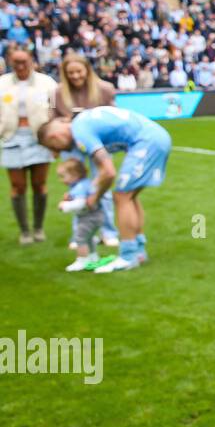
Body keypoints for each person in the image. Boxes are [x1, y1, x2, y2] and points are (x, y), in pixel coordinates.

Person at [36, 106, 173, 273]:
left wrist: (93, 198)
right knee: (130, 196)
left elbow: (108, 172)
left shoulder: (80, 132)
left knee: (122, 197)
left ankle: (128, 256)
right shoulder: (82, 122)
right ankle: (138, 250)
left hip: (147, 142)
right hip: (155, 137)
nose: (58, 152)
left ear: (54, 137)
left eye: (54, 147)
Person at [54, 52, 120, 249]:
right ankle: (81, 235)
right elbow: (52, 118)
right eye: (70, 73)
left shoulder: (105, 89)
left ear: (87, 70)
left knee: (103, 187)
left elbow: (113, 116)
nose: (75, 76)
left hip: (97, 146)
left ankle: (108, 231)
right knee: (77, 189)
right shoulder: (56, 93)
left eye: (79, 71)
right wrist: (66, 122)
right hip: (72, 147)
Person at [1, 43, 57, 244]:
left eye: (24, 61)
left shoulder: (47, 83)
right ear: (9, 61)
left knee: (39, 184)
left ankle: (38, 228)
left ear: (31, 60)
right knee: (17, 186)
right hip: (11, 138)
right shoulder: (3, 83)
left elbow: (55, 109)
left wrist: (52, 135)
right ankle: (25, 231)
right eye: (16, 62)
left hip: (39, 138)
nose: (20, 65)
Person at [56, 158, 111, 272]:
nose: (61, 180)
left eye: (63, 176)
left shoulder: (79, 187)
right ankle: (93, 256)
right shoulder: (85, 183)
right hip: (97, 216)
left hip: (89, 217)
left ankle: (82, 260)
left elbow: (81, 203)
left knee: (80, 238)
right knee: (89, 237)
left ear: (75, 175)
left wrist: (65, 205)